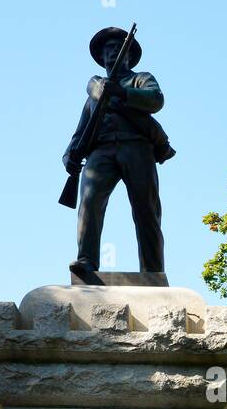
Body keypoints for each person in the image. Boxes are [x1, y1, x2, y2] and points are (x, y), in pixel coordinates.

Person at [63, 27, 175, 279]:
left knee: (146, 209)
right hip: (100, 152)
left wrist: (123, 93)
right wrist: (68, 155)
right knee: (89, 204)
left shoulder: (140, 78)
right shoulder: (95, 93)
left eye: (118, 48)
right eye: (108, 49)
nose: (112, 51)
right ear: (102, 58)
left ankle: (153, 270)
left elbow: (156, 100)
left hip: (136, 147)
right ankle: (86, 260)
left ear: (128, 56)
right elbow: (81, 130)